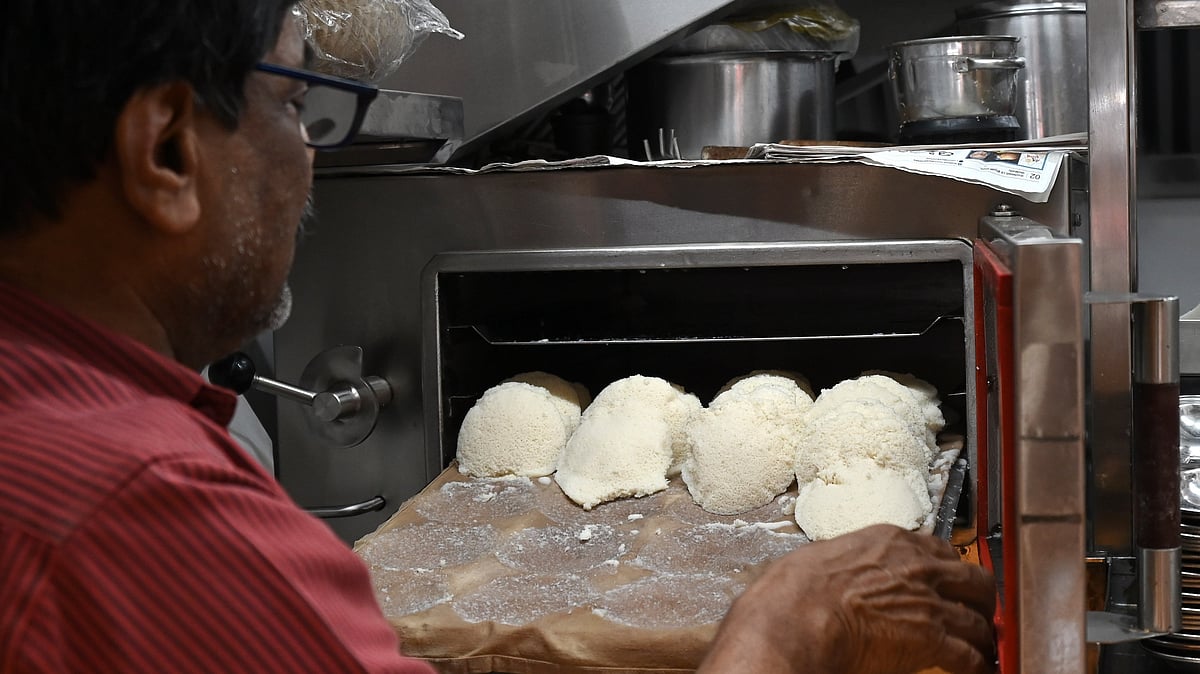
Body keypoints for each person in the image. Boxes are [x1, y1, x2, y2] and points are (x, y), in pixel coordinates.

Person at [0, 2, 996, 672]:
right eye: (297, 106)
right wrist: (790, 620)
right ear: (168, 150)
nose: (306, 163)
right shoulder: (146, 511)